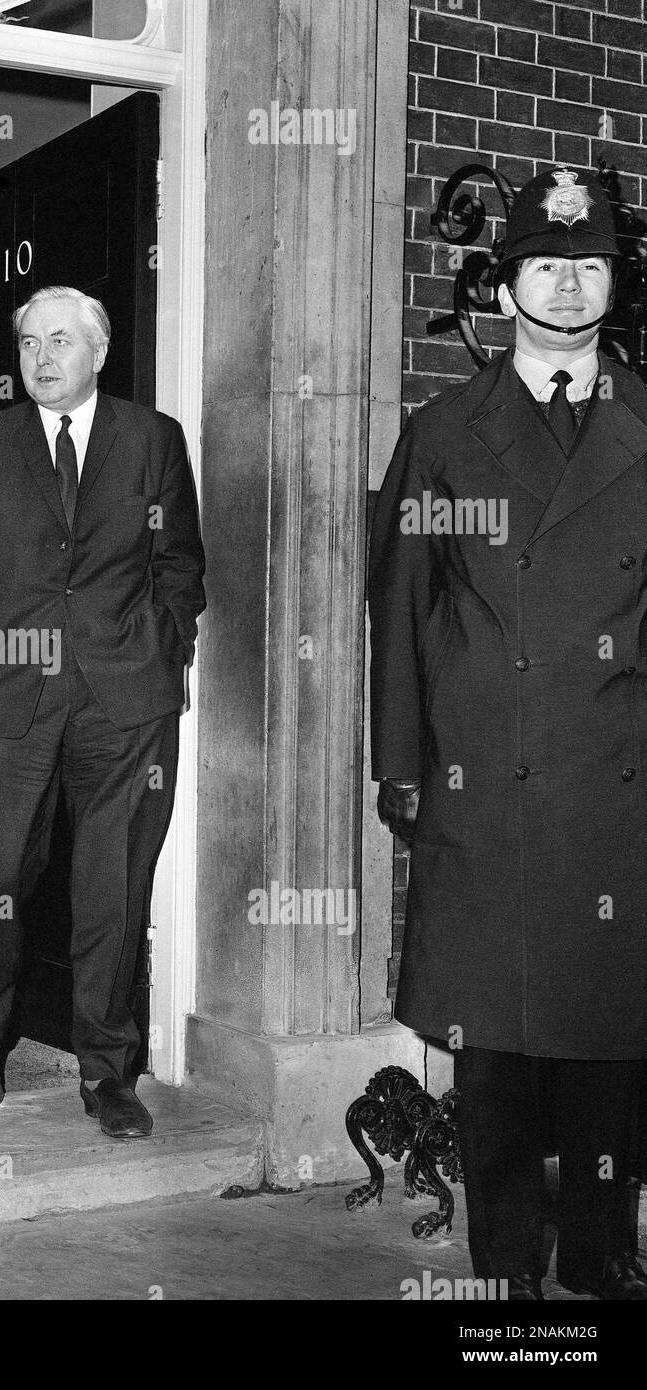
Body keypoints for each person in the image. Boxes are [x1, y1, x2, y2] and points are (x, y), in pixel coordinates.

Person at [369, 166, 647, 1299]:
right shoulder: (444, 432)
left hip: (617, 781)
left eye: (589, 265)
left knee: (610, 1039)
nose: (569, 285)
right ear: (509, 281)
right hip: (483, 775)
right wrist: (402, 767)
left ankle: (600, 1250)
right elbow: (400, 607)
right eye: (547, 264)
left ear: (613, 281)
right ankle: (505, 1274)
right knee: (495, 1049)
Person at [0, 285, 205, 1138]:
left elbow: (180, 562)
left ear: (98, 350)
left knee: (112, 887)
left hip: (125, 698)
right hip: (9, 690)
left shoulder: (151, 439)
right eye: (27, 343)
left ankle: (106, 1072)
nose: (40, 359)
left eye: (58, 342)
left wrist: (162, 648)